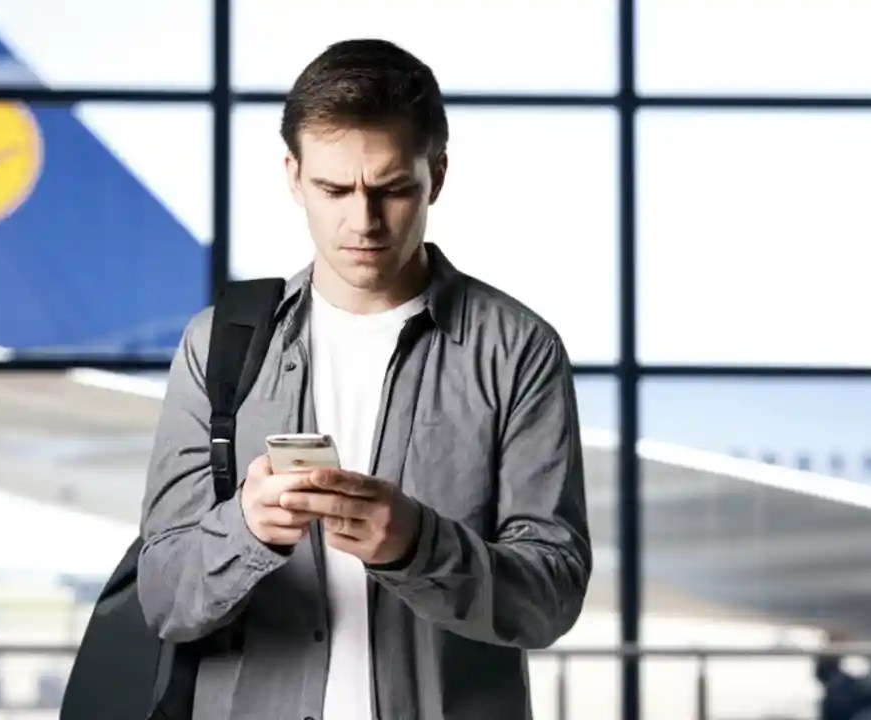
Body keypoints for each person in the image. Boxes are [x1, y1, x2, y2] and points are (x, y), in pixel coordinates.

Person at [137, 38, 592, 720]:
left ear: (436, 175)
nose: (363, 221)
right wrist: (247, 530)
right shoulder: (220, 346)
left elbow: (551, 600)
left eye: (392, 189)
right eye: (333, 189)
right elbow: (164, 598)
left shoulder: (517, 350)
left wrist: (417, 544)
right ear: (293, 176)